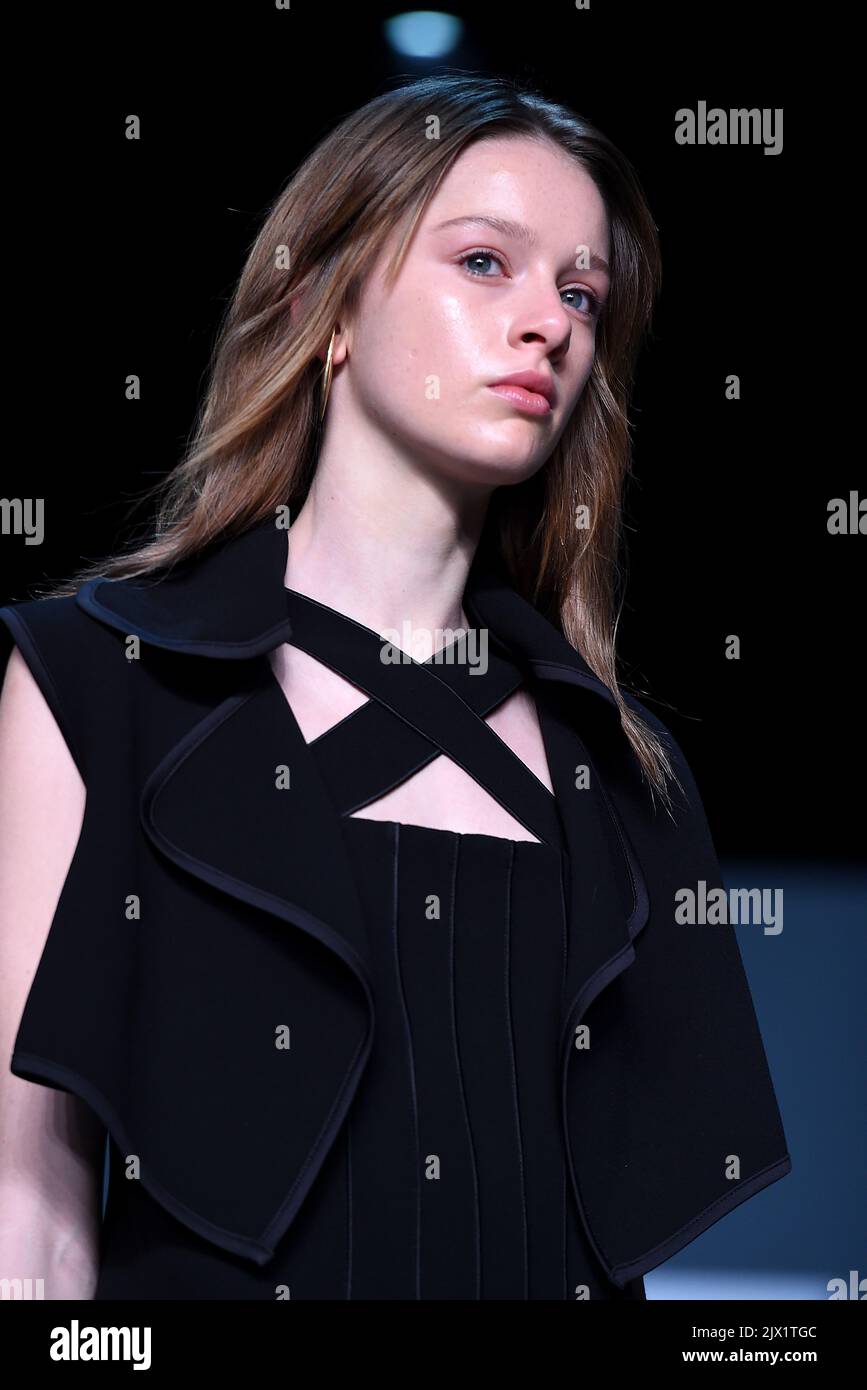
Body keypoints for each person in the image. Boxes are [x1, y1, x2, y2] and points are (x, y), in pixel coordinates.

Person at [0, 74, 790, 1301]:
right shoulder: (101, 685)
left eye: (581, 290)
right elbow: (33, 1223)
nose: (551, 323)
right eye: (486, 262)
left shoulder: (616, 769)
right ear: (328, 306)